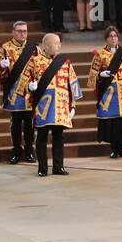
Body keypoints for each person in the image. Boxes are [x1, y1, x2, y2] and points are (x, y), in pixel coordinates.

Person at [30, 31, 79, 177]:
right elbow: (26, 83)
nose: (59, 46)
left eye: (59, 43)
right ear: (46, 46)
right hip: (43, 107)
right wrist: (29, 87)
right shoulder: (35, 61)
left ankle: (58, 166)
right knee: (42, 136)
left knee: (59, 137)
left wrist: (73, 106)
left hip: (61, 106)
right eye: (56, 43)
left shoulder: (65, 62)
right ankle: (42, 167)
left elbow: (73, 86)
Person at [0, 20, 38, 166]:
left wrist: (36, 83)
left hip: (30, 92)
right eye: (19, 31)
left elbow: (41, 67)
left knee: (30, 124)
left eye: (25, 31)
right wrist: (1, 66)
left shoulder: (34, 48)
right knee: (15, 124)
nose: (22, 33)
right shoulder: (5, 48)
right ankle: (16, 150)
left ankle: (29, 150)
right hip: (14, 92)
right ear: (13, 32)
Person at [88, 26, 122, 158]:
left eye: (115, 36)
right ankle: (114, 148)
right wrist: (101, 74)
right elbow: (92, 77)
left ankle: (121, 147)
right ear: (106, 39)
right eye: (110, 36)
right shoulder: (100, 55)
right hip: (109, 93)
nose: (113, 38)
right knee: (112, 122)